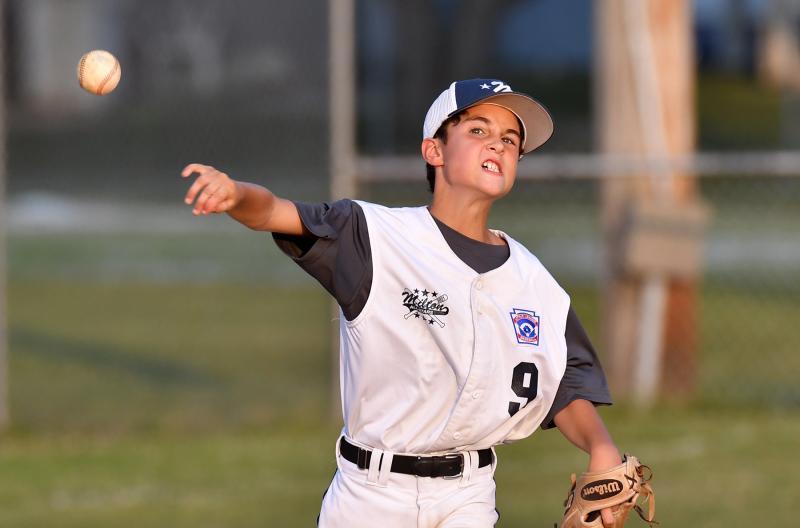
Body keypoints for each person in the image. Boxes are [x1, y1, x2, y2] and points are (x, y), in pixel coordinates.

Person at [182, 78, 622, 528]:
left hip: (467, 496)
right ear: (434, 151)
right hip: (371, 496)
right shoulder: (373, 236)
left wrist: (602, 448)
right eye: (478, 131)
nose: (498, 145)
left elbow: (566, 380)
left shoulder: (533, 282)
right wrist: (236, 195)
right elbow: (277, 212)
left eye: (510, 140)